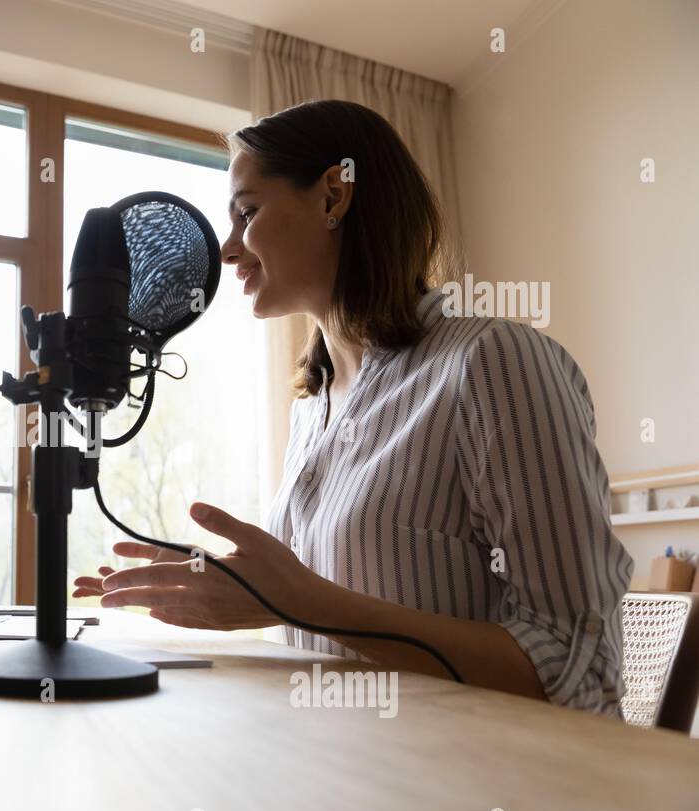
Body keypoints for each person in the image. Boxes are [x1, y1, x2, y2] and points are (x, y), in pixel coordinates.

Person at [72, 100, 633, 716]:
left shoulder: (493, 361)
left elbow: (577, 667)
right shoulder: (310, 412)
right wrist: (251, 592)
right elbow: (321, 629)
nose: (228, 249)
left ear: (334, 196)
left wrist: (298, 600)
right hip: (333, 771)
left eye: (247, 212)